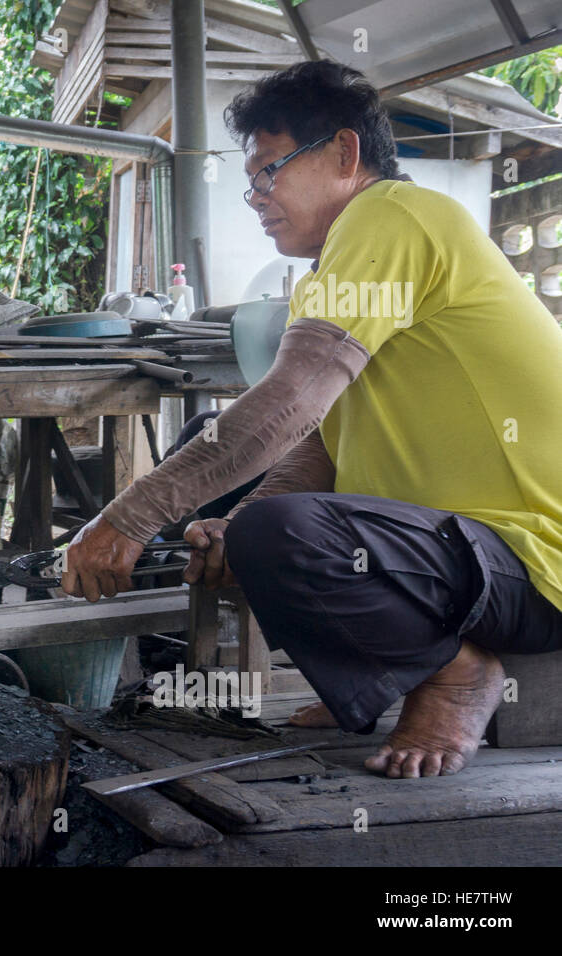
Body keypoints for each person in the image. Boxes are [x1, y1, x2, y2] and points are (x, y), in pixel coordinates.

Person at [63, 61, 562, 779]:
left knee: (279, 531)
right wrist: (235, 523)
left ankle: (457, 673)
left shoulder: (391, 214)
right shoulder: (338, 266)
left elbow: (290, 400)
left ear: (343, 153)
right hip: (455, 558)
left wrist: (130, 516)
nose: (256, 198)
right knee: (244, 506)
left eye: (270, 171)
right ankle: (378, 671)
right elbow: (318, 439)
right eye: (250, 181)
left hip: (533, 564)